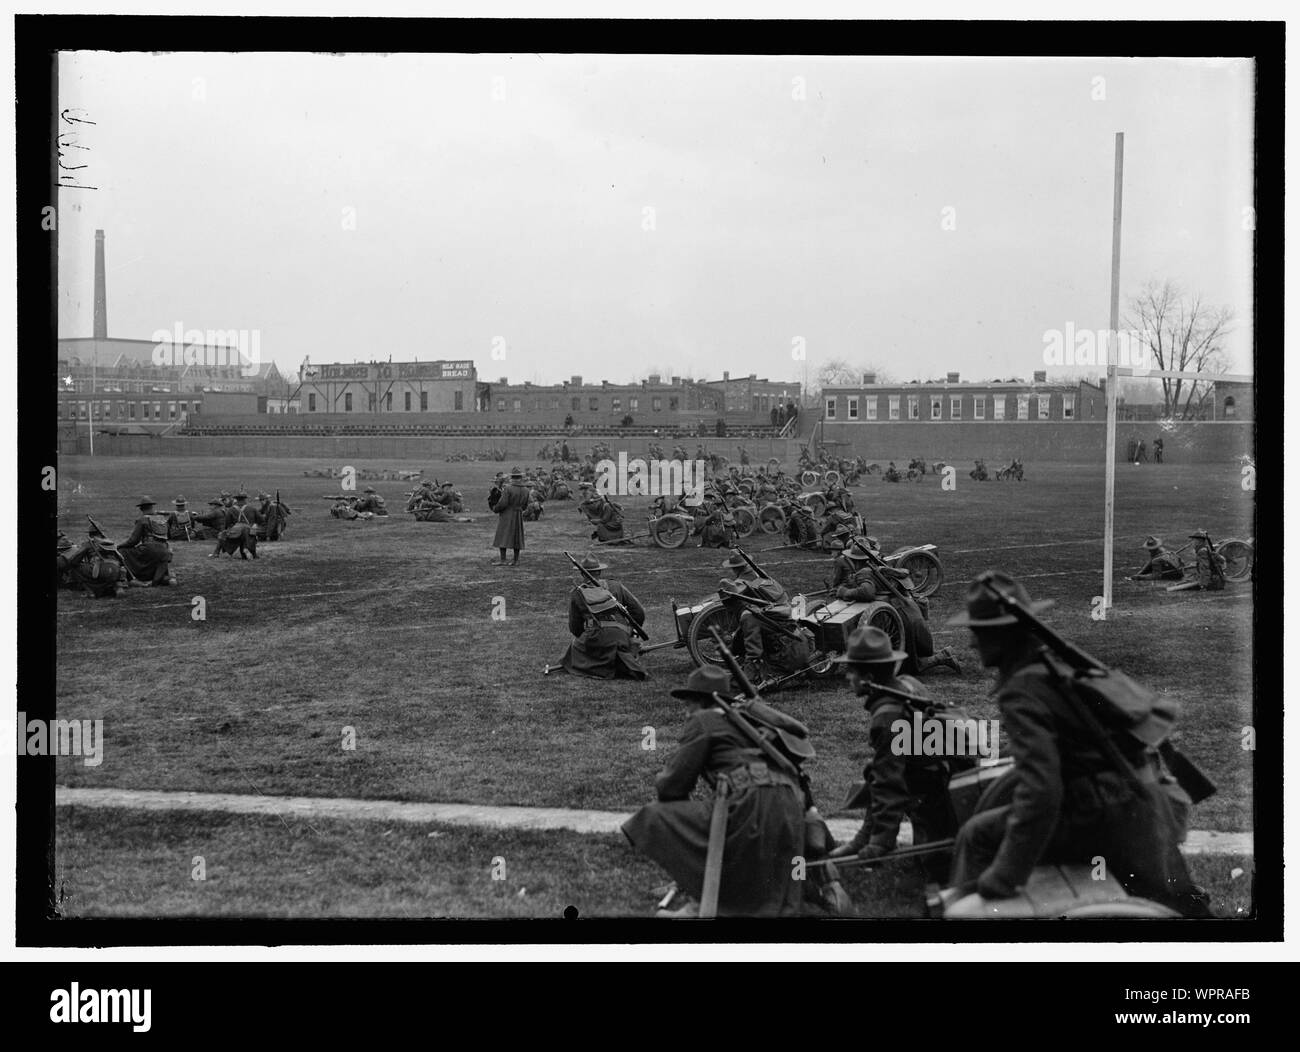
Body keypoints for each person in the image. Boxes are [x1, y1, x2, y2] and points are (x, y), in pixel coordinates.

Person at [945, 572, 1211, 916]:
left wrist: (1003, 876)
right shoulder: (1049, 668)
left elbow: (1041, 792)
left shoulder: (1021, 691)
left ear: (1002, 636)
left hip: (1103, 814)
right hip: (1135, 803)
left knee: (977, 833)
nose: (971, 643)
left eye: (978, 632)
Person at [622, 665, 808, 917]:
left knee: (654, 815)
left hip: (751, 804)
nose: (686, 709)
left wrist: (664, 775)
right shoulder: (748, 719)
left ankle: (705, 900)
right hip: (789, 805)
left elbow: (671, 787)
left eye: (689, 702)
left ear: (699, 701)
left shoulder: (703, 720)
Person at [827, 626, 964, 880]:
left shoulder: (886, 717)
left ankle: (875, 839)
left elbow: (891, 783)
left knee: (935, 868)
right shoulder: (909, 684)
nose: (847, 678)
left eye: (850, 672)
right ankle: (864, 837)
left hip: (936, 793)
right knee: (875, 771)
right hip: (943, 773)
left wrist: (881, 844)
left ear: (867, 678)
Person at [830, 538, 961, 675]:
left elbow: (867, 592)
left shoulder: (864, 572)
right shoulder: (882, 568)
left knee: (910, 666)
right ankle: (941, 655)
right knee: (914, 654)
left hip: (901, 619)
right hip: (909, 612)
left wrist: (845, 592)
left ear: (855, 560)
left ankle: (944, 656)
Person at [553, 556, 648, 680]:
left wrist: (584, 639)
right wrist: (631, 633)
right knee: (623, 645)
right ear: (599, 572)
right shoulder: (616, 586)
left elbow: (575, 627)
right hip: (622, 636)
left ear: (582, 573)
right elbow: (638, 612)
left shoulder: (577, 593)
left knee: (574, 649)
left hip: (595, 637)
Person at [719, 579, 814, 686]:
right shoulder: (756, 606)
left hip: (789, 655)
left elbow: (754, 652)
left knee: (741, 681)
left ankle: (792, 678)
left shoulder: (748, 617)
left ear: (729, 604)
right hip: (799, 646)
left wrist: (748, 677)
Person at [118, 497, 177, 586]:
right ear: (152, 507)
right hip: (165, 549)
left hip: (150, 549)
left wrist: (120, 545)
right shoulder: (162, 518)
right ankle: (164, 578)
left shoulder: (142, 520)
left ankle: (132, 577)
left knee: (123, 552)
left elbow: (133, 541)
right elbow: (169, 535)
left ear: (141, 508)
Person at [492, 468, 528, 565]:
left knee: (502, 535)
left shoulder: (508, 488)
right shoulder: (526, 490)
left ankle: (503, 560)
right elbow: (525, 506)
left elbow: (503, 503)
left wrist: (496, 508)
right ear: (520, 477)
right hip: (518, 514)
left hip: (507, 514)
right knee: (517, 537)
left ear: (512, 477)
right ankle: (515, 560)